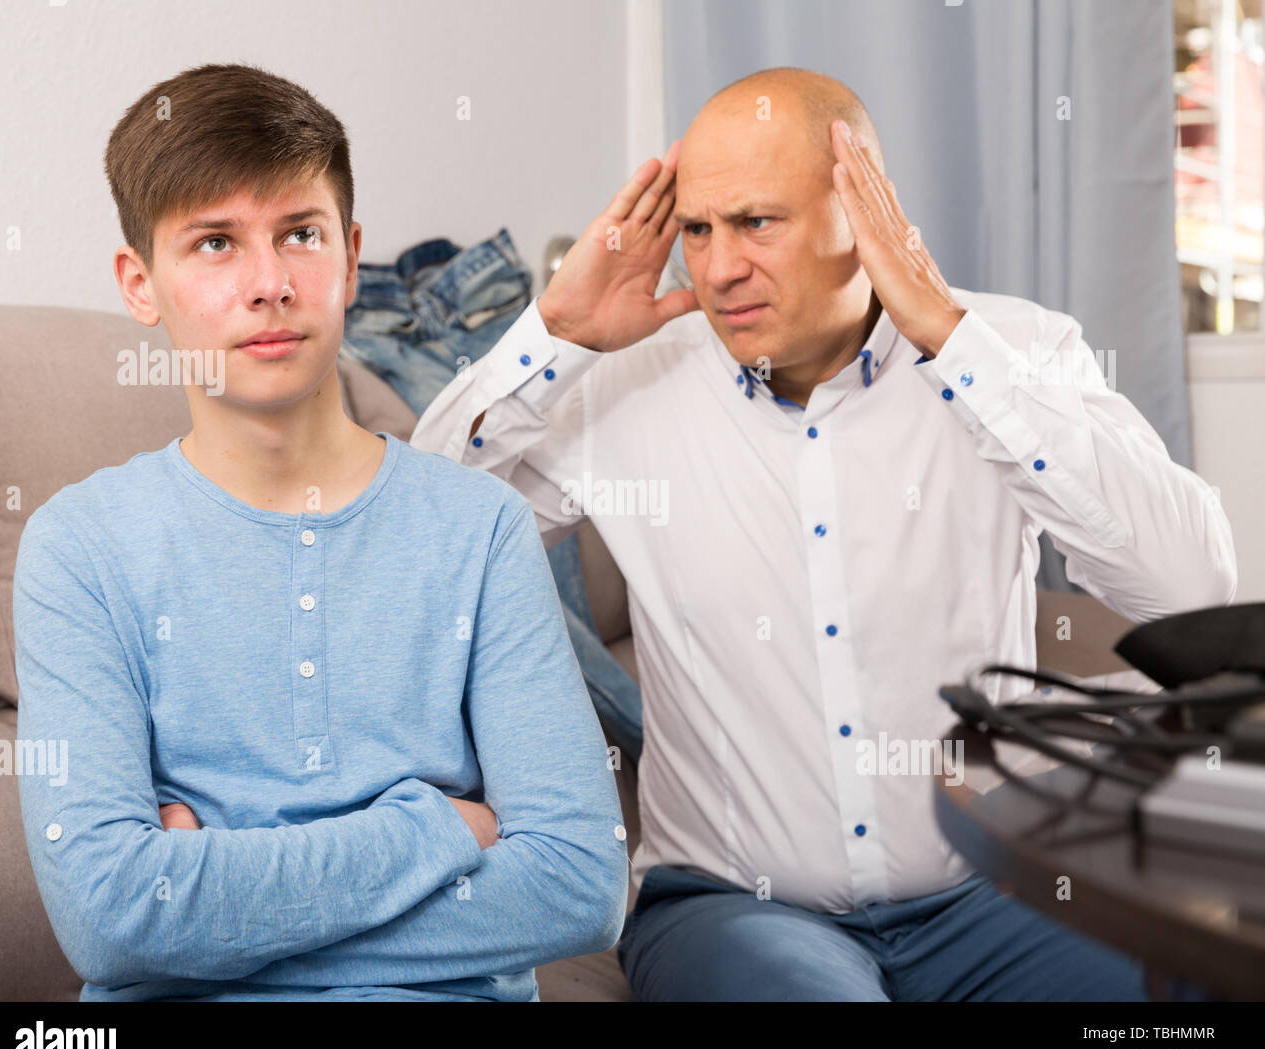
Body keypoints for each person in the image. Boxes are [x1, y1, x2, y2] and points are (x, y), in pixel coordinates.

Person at [409, 67, 1237, 1001]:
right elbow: (417, 541)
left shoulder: (1017, 351)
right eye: (697, 230)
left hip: (992, 892)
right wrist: (552, 333)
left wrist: (955, 346)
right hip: (736, 910)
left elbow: (1191, 590)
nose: (718, 270)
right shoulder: (621, 384)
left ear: (864, 209)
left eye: (757, 223)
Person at [12, 62, 627, 1002]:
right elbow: (108, 921)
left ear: (348, 256)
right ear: (141, 285)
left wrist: (215, 912)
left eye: (300, 234)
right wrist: (429, 830)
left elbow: (581, 885)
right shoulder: (78, 548)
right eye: (214, 243)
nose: (269, 284)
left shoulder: (481, 527)